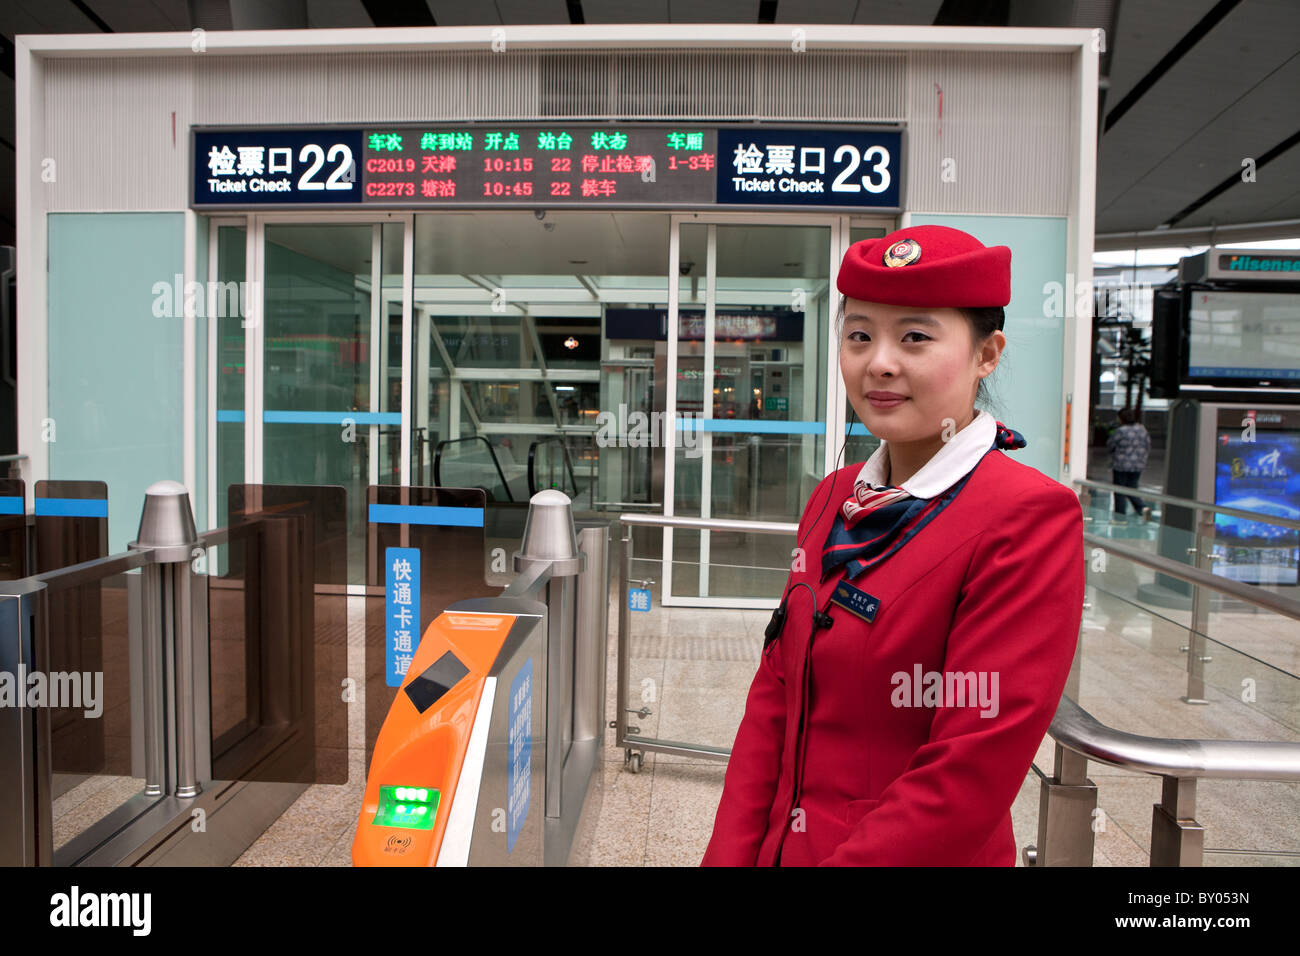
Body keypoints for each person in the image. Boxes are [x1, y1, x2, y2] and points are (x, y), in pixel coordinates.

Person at [700, 225, 1084, 866]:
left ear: (987, 354)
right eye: (859, 335)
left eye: (915, 336)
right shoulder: (834, 495)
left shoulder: (1027, 517)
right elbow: (775, 695)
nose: (879, 361)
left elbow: (967, 775)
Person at [1106, 407, 1151, 523]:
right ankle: (1142, 508)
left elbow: (1110, 445)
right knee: (1132, 488)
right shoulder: (1142, 429)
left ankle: (1120, 518)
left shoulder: (1121, 431)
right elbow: (1148, 445)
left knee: (1120, 491)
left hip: (1121, 465)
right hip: (1138, 465)